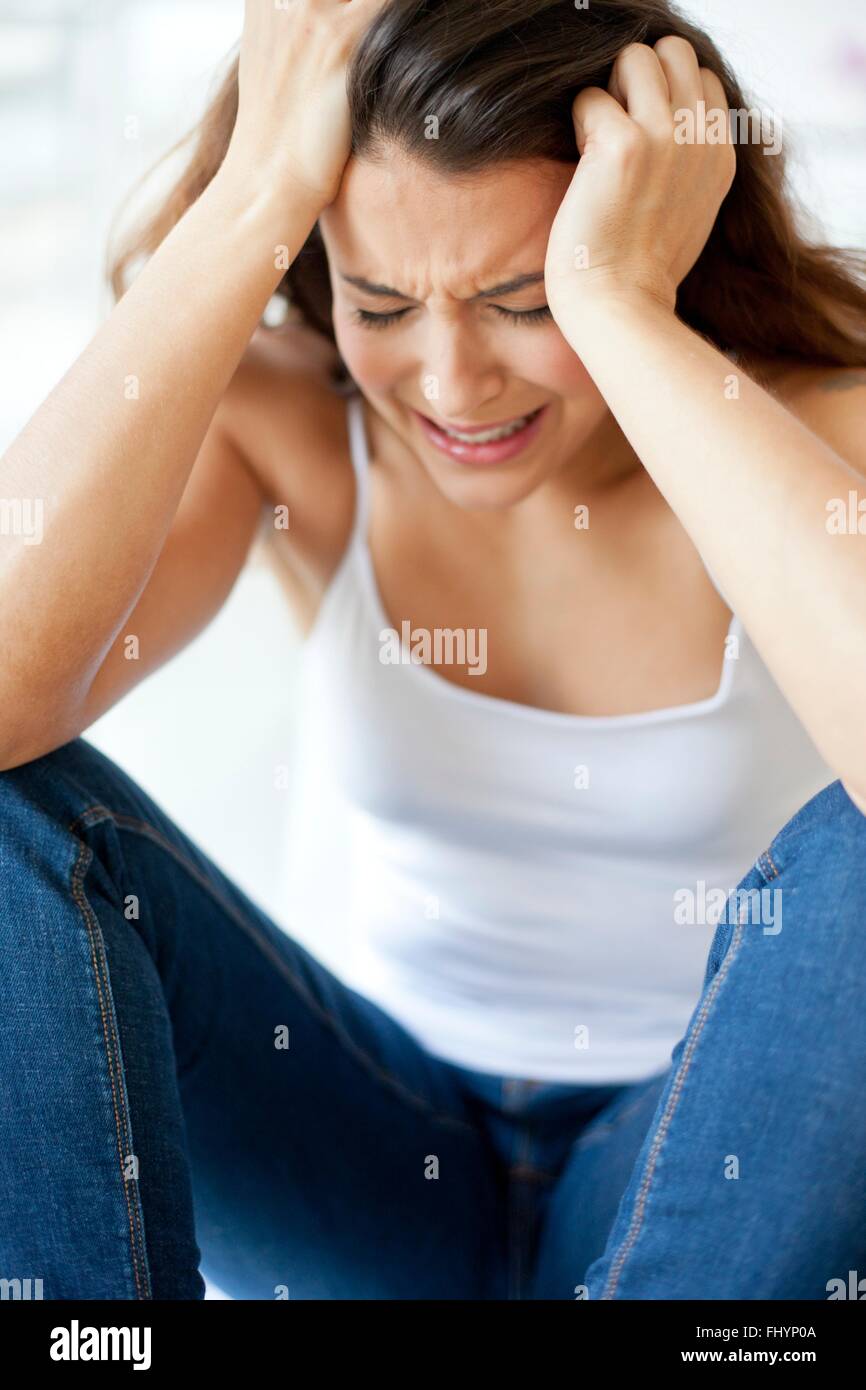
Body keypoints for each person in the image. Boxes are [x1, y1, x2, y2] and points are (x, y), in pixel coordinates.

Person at [1, 0, 865, 1300]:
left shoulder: (801, 428)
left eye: (521, 299)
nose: (451, 385)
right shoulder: (291, 427)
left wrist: (621, 316)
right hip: (370, 1151)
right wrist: (251, 196)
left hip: (708, 1169)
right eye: (383, 301)